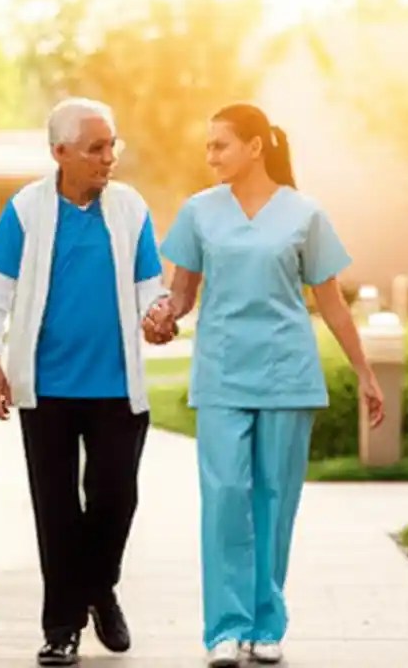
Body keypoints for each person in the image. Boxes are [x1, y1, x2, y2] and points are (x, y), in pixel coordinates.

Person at [142, 102, 385, 667]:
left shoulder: (305, 214)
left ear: (256, 147)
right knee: (225, 497)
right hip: (223, 372)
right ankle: (224, 630)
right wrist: (163, 316)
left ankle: (265, 623)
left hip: (286, 373)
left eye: (220, 145)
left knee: (275, 500)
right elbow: (182, 294)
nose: (210, 156)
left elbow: (332, 302)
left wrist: (365, 372)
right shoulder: (200, 212)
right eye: (207, 146)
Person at [0, 97, 173, 666]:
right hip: (48, 390)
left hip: (116, 388)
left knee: (116, 500)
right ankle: (62, 628)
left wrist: (158, 316)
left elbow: (147, 287)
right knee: (56, 512)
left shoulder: (130, 208)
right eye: (96, 148)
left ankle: (97, 587)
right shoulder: (26, 210)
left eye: (113, 145)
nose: (109, 157)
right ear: (59, 152)